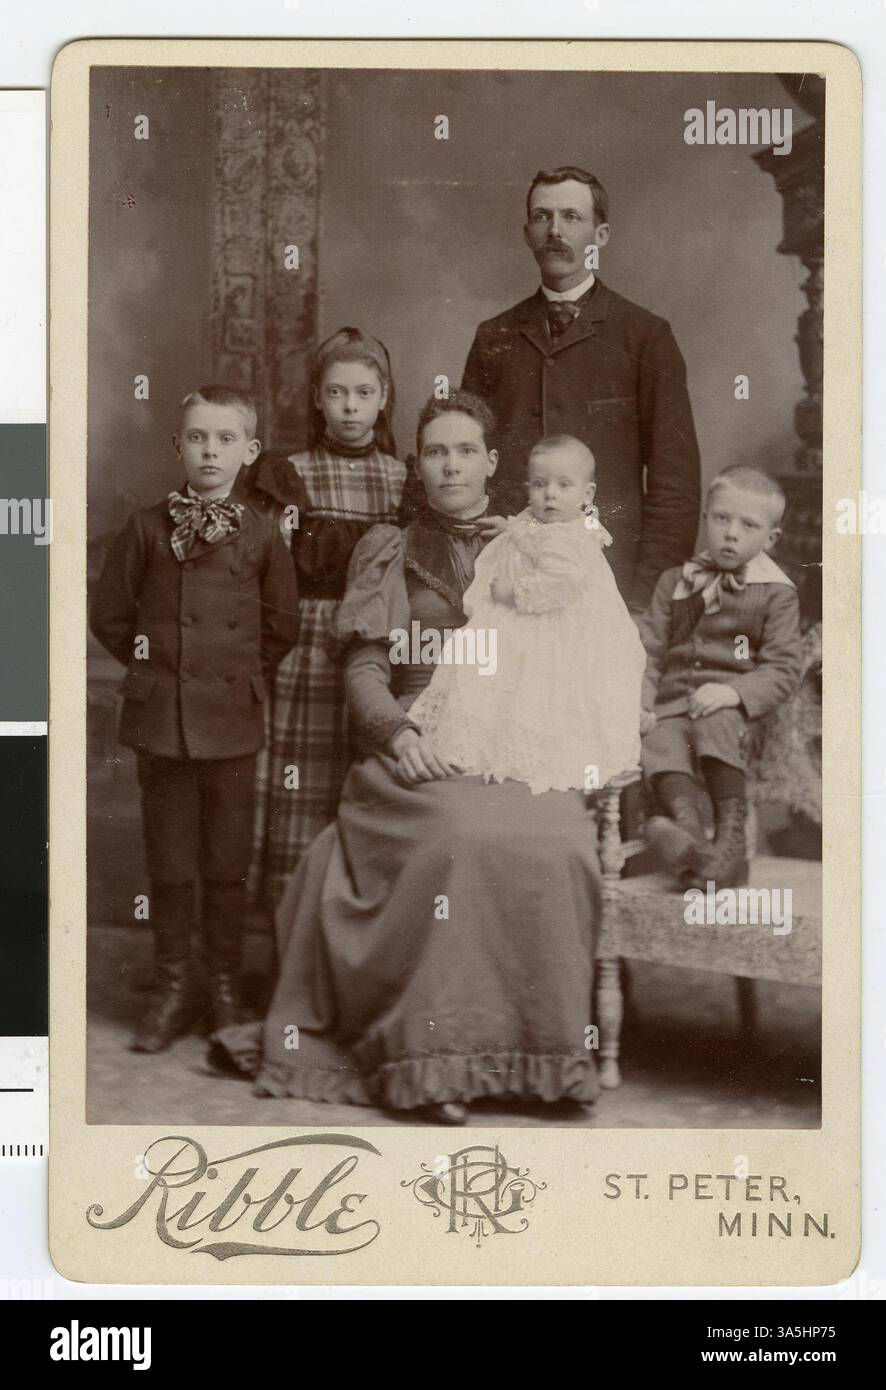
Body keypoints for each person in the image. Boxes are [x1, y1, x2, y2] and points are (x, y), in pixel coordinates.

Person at [210, 392, 607, 1125]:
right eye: (435, 452)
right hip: (420, 740)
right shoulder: (390, 549)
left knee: (559, 842)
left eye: (466, 450)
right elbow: (365, 667)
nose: (450, 465)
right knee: (459, 835)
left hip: (516, 741)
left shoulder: (537, 545)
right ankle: (431, 1062)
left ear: (493, 462)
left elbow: (587, 647)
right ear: (416, 465)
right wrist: (396, 734)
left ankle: (536, 1063)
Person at [90, 385, 299, 1053]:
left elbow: (281, 625)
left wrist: (230, 672)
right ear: (178, 445)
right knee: (171, 857)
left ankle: (224, 983)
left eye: (226, 439)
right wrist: (161, 669)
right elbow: (111, 617)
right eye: (198, 437)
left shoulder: (263, 532)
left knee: (227, 859)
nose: (211, 451)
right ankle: (174, 984)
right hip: (164, 722)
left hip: (232, 719)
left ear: (250, 450)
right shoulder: (145, 528)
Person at [461, 165, 700, 611]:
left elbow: (676, 486)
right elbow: (467, 462)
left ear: (600, 235)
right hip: (508, 579)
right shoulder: (494, 337)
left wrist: (644, 601)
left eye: (571, 217)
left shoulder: (646, 337)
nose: (555, 231)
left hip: (611, 584)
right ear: (527, 234)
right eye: (542, 217)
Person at [246, 328, 407, 914]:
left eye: (364, 394)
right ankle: (288, 919)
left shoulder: (403, 479)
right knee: (300, 779)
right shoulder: (289, 473)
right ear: (317, 398)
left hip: (374, 645)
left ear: (383, 399)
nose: (350, 407)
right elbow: (263, 569)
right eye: (336, 393)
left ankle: (352, 927)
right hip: (305, 645)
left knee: (362, 776)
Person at [409, 434, 645, 794]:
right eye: (539, 484)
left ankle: (531, 756)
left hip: (556, 629)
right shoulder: (544, 523)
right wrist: (510, 528)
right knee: (491, 681)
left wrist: (512, 592)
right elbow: (531, 533)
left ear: (587, 494)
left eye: (563, 485)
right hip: (526, 627)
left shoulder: (572, 537)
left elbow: (558, 585)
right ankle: (484, 747)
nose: (550, 495)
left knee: (540, 689)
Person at [638, 465, 803, 888]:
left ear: (771, 538)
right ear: (705, 519)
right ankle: (689, 835)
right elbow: (649, 652)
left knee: (716, 723)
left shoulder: (777, 592)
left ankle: (730, 842)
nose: (731, 533)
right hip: (674, 704)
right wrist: (644, 703)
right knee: (659, 736)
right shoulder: (675, 582)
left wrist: (733, 693)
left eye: (748, 525)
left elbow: (784, 667)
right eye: (721, 518)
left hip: (739, 712)